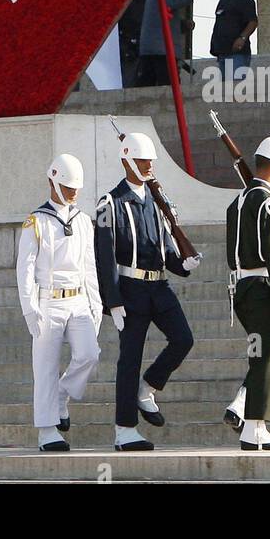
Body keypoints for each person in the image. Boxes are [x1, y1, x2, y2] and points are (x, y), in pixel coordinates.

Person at [95, 132, 201, 451]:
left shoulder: (157, 199)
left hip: (159, 286)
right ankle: (125, 430)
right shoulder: (109, 203)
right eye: (142, 160)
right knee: (130, 359)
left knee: (184, 339)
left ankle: (149, 387)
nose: (148, 166)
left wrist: (184, 264)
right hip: (130, 290)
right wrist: (112, 302)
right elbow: (104, 256)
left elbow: (167, 247)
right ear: (126, 160)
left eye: (150, 161)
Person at [17, 154, 102, 452]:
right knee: (45, 368)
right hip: (49, 301)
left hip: (78, 299)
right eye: (68, 187)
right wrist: (30, 307)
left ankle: (64, 393)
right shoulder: (36, 221)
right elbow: (25, 269)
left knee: (90, 353)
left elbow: (89, 265)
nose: (73, 192)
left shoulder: (83, 221)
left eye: (76, 188)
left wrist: (97, 304)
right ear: (53, 182)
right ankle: (47, 431)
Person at [225, 136, 270, 450]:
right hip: (263, 290)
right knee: (266, 356)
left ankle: (244, 408)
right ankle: (255, 428)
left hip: (241, 288)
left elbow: (240, 251)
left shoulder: (237, 201)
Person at [137, 0, 199, 86]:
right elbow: (173, 2)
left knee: (146, 84)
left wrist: (182, 24)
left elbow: (162, 16)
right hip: (163, 49)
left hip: (149, 48)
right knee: (169, 84)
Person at [210, 0, 258, 80]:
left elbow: (253, 22)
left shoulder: (246, 0)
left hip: (237, 54)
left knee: (236, 90)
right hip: (222, 53)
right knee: (226, 91)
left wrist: (242, 38)